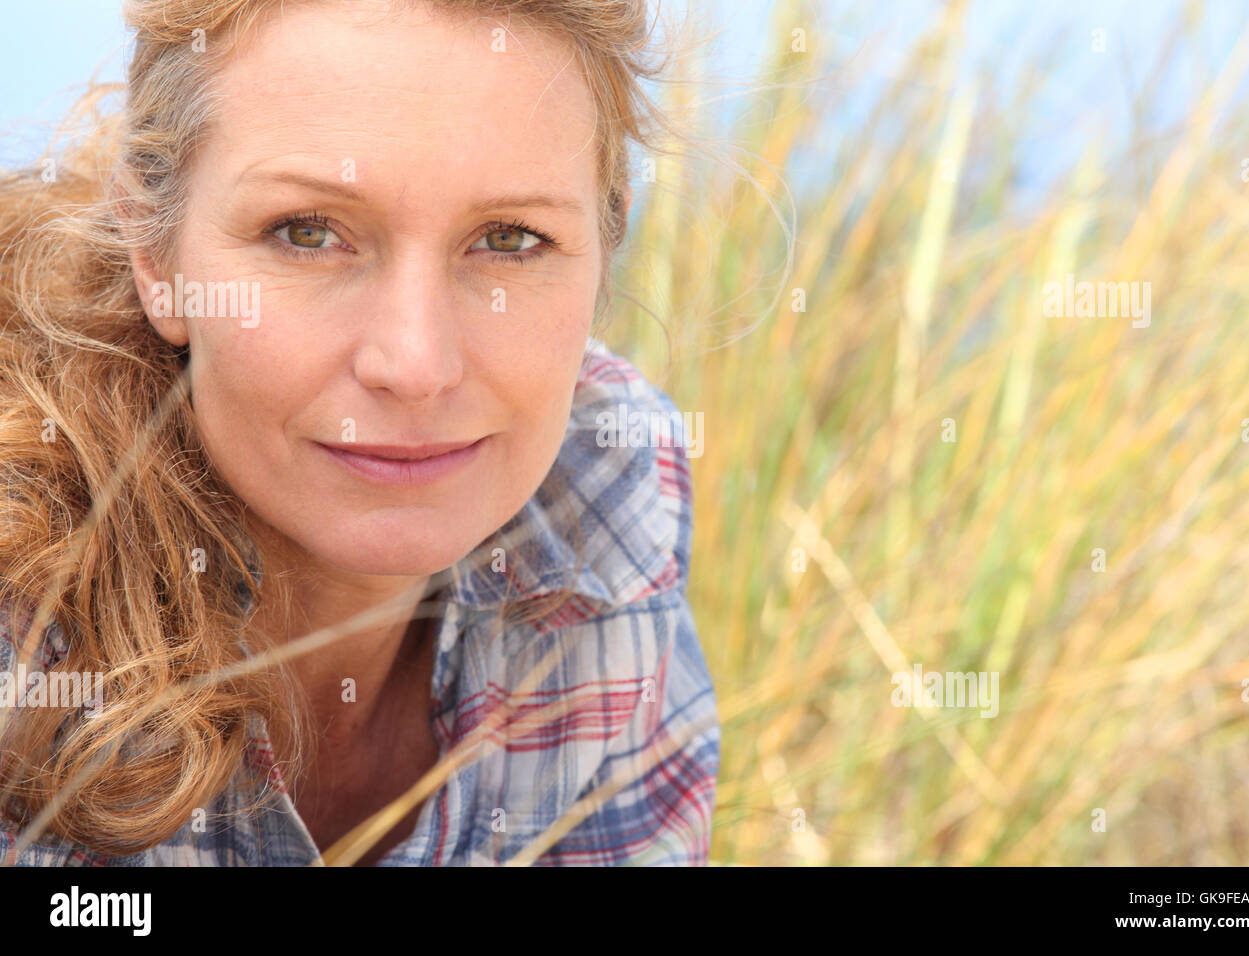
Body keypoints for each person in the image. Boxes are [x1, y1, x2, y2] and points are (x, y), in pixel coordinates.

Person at [0, 0, 719, 866]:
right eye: (308, 234)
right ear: (158, 257)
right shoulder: (24, 646)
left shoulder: (604, 495)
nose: (415, 364)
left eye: (510, 238)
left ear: (605, 254)